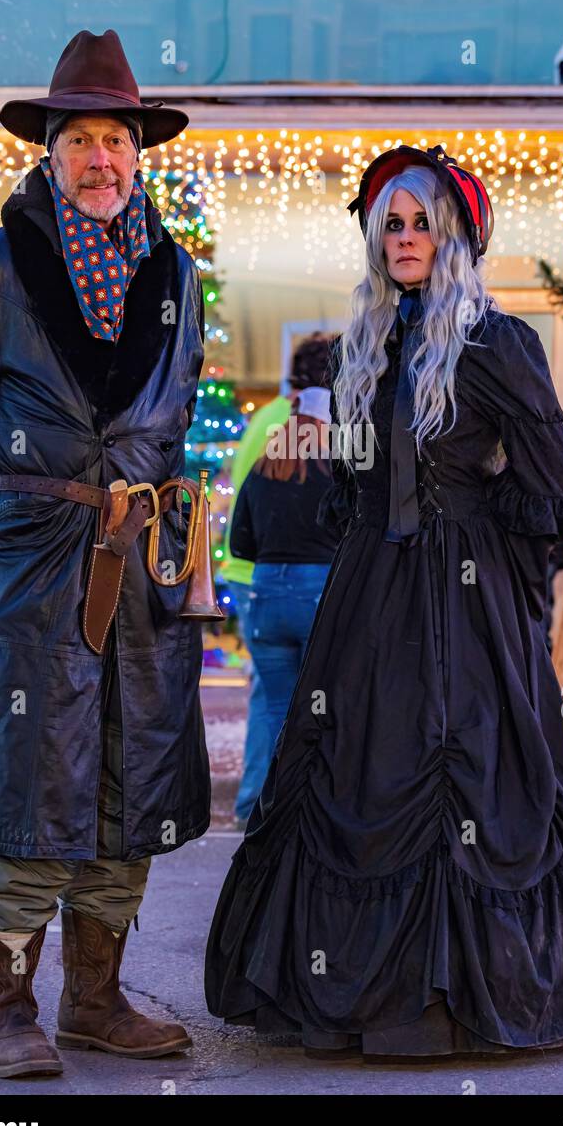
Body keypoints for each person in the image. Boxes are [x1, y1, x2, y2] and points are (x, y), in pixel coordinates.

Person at [204, 143, 563, 1058]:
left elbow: (550, 485)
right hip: (369, 594)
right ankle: (358, 989)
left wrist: (500, 580)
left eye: (421, 225)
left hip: (464, 594)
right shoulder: (361, 344)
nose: (404, 238)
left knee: (467, 758)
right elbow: (351, 490)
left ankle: (456, 996)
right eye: (390, 226)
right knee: (355, 755)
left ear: (455, 238)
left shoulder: (496, 343)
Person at [0, 29, 209, 1078]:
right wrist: (15, 527)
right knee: (28, 775)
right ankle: (7, 1009)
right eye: (79, 137)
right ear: (48, 151)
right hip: (35, 570)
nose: (101, 159)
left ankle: (95, 997)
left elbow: (172, 421)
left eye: (117, 139)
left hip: (139, 576)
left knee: (127, 774)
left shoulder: (176, 275)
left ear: (140, 153)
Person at [219, 334, 337, 823]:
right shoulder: (343, 446)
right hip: (317, 589)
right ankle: (316, 815)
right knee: (326, 707)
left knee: (271, 705)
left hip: (261, 586)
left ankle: (255, 810)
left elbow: (241, 531)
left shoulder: (268, 433)